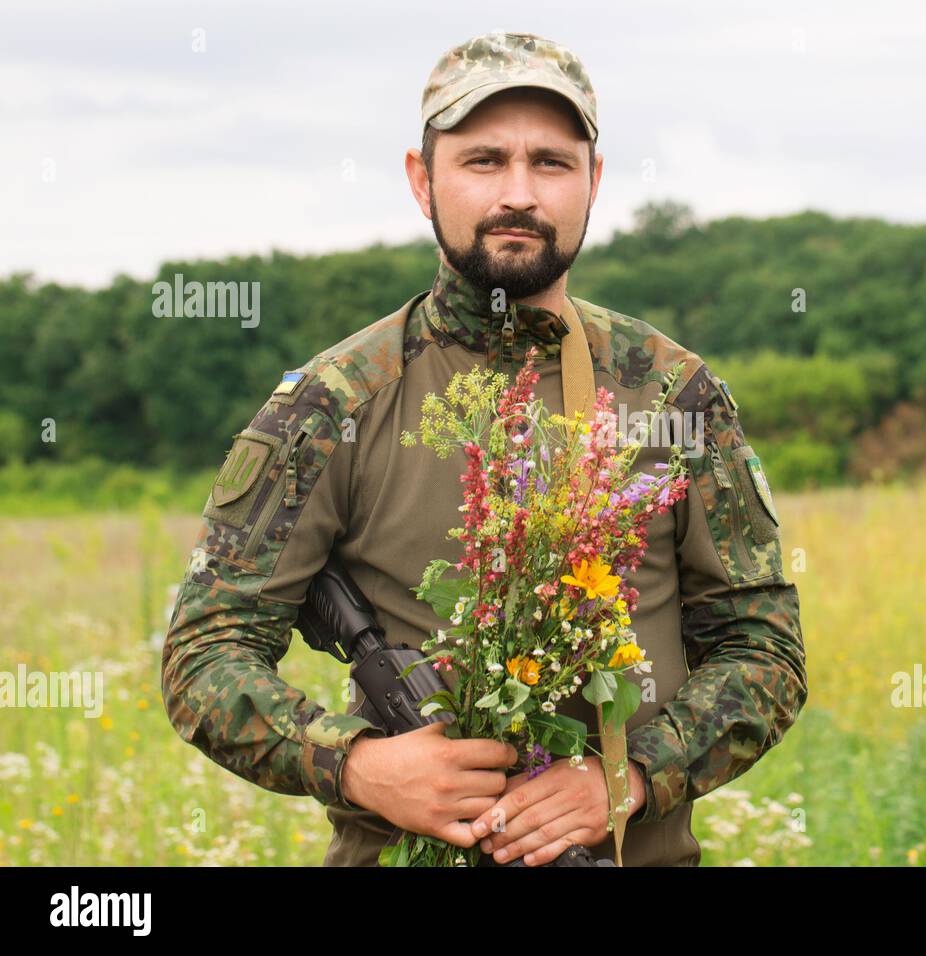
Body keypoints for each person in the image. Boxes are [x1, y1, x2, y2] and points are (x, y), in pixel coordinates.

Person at [161, 30, 807, 867]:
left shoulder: (673, 393)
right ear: (420, 179)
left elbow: (764, 648)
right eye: (482, 161)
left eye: (550, 162)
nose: (518, 193)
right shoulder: (336, 402)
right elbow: (205, 653)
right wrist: (358, 763)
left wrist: (632, 777)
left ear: (594, 182)